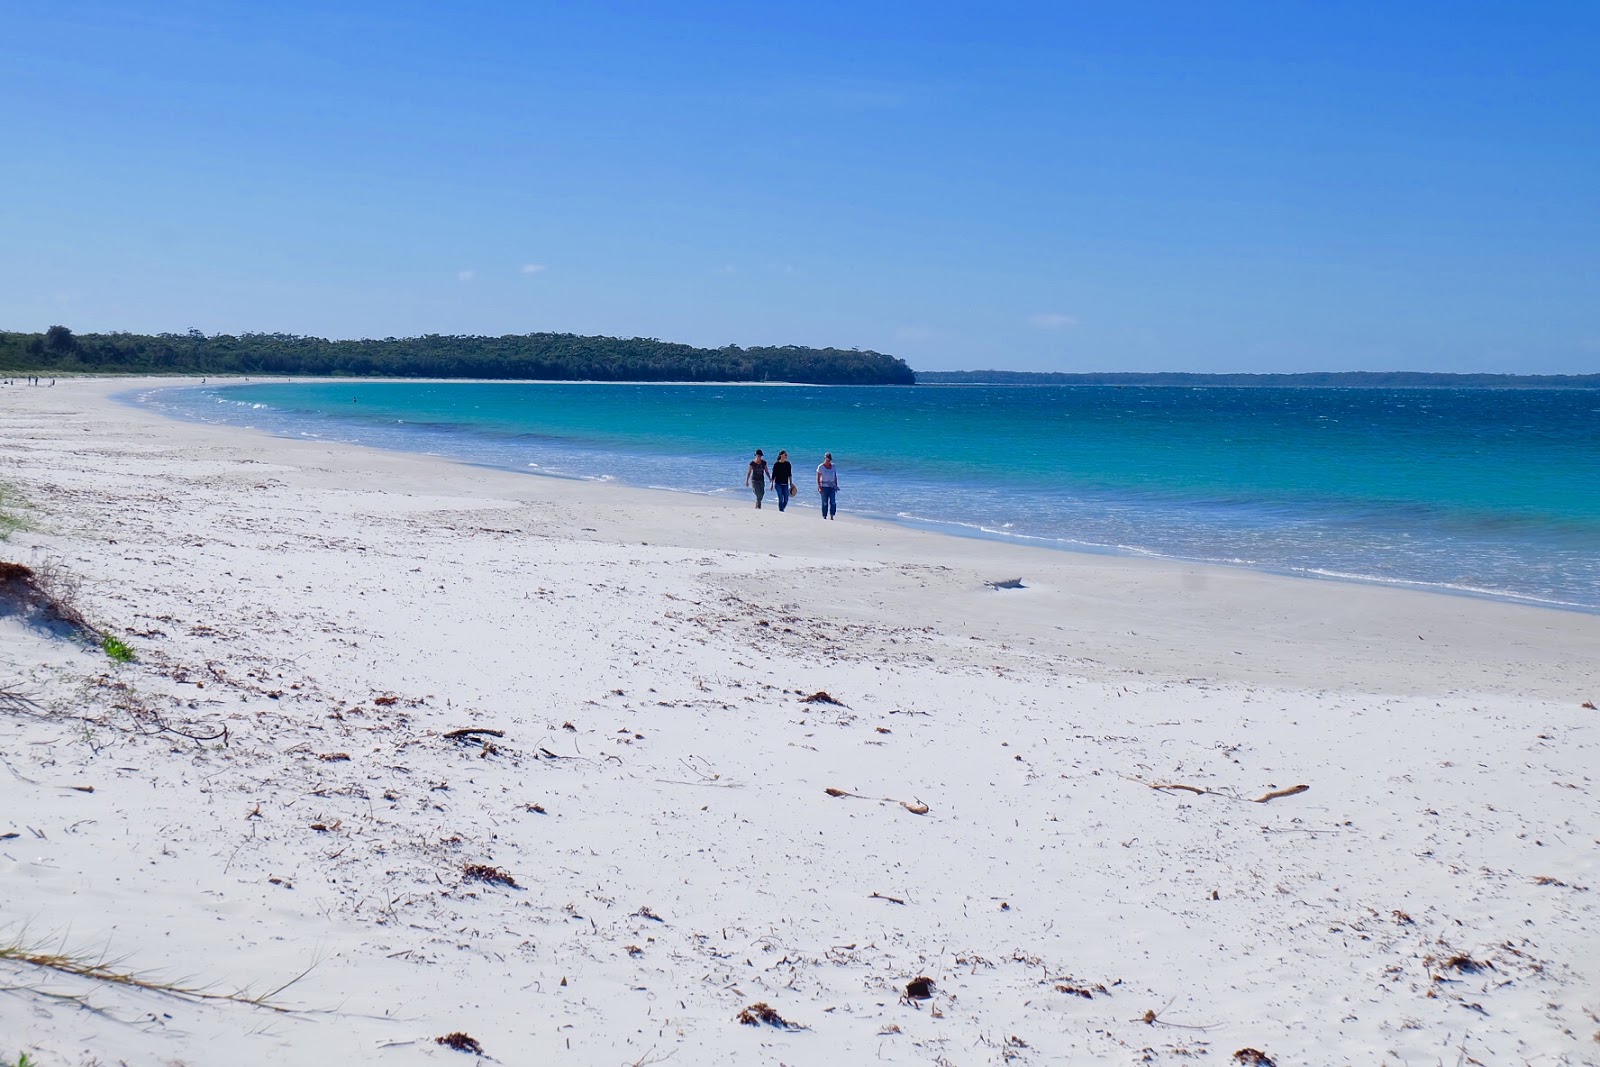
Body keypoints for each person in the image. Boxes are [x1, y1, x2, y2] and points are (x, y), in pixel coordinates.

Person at [816, 452, 839, 519]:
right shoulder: (820, 467)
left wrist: (836, 485)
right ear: (825, 459)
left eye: (829, 460)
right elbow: (818, 477)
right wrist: (819, 487)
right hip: (824, 487)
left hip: (832, 487)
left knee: (833, 502)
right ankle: (824, 516)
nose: (828, 461)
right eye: (827, 460)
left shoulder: (833, 466)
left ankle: (832, 515)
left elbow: (835, 476)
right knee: (824, 502)